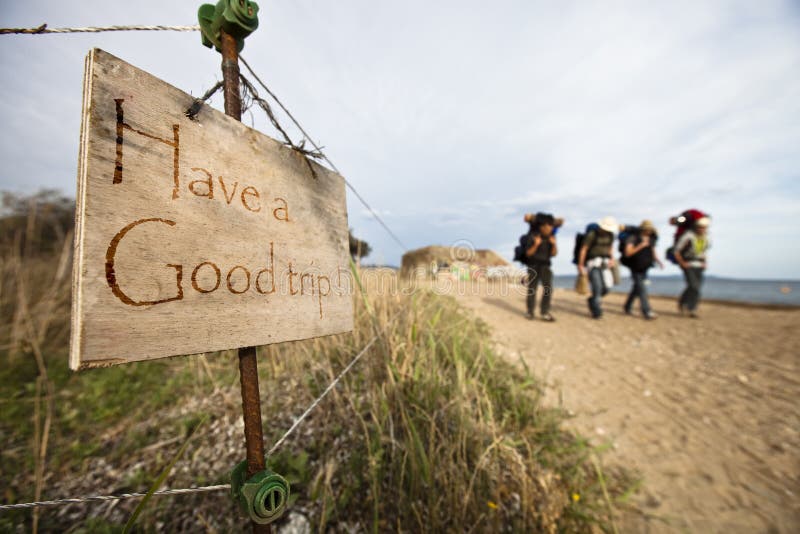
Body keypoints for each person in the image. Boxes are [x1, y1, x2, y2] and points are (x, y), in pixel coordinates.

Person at [622, 220, 663, 320]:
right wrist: (641, 245)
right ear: (642, 229)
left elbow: (652, 251)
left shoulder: (651, 239)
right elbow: (628, 253)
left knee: (637, 288)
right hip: (635, 267)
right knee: (642, 288)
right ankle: (647, 311)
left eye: (650, 229)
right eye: (647, 229)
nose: (648, 231)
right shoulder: (633, 238)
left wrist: (658, 260)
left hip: (645, 266)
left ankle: (627, 306)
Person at [578, 216, 617, 319]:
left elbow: (610, 248)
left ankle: (592, 300)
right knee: (597, 287)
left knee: (607, 288)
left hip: (605, 263)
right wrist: (581, 265)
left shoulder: (611, 235)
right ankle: (597, 312)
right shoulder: (592, 235)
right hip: (593, 263)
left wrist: (612, 259)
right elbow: (584, 249)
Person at [674, 216, 711, 318]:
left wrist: (705, 262)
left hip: (699, 265)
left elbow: (703, 251)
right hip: (688, 264)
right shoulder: (688, 236)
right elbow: (676, 251)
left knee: (696, 287)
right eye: (700, 227)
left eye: (704, 227)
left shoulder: (706, 238)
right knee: (694, 286)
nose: (701, 229)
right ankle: (690, 308)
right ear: (696, 227)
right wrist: (682, 263)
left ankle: (686, 305)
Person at [523, 214, 557, 321]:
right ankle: (530, 312)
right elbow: (528, 253)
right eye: (545, 225)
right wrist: (536, 244)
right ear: (540, 226)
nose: (548, 227)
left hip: (546, 265)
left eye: (550, 225)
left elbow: (554, 254)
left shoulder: (551, 237)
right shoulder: (532, 236)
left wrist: (554, 244)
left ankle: (544, 312)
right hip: (533, 265)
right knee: (532, 289)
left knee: (548, 289)